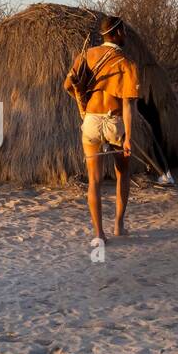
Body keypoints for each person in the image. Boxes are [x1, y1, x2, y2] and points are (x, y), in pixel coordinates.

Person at [63, 15, 141, 243]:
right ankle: (118, 225)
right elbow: (128, 105)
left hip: (91, 121)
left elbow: (68, 84)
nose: (125, 35)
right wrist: (128, 138)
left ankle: (99, 234)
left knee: (94, 180)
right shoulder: (127, 64)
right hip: (115, 122)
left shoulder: (86, 56)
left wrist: (82, 99)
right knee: (122, 174)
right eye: (124, 31)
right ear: (116, 33)